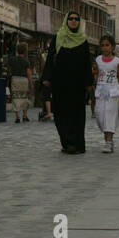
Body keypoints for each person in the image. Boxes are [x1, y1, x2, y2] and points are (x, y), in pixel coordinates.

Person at [42, 11, 92, 154]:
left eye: (77, 19)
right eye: (71, 19)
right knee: (60, 113)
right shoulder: (58, 38)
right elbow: (51, 59)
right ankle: (66, 142)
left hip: (77, 84)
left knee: (77, 115)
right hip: (60, 83)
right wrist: (47, 78)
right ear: (66, 20)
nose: (74, 21)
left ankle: (76, 144)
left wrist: (89, 82)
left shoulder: (83, 40)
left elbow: (87, 63)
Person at [92, 34, 119, 153]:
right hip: (100, 92)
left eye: (107, 45)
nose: (105, 48)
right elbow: (95, 74)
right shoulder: (98, 60)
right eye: (102, 45)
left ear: (112, 47)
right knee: (100, 116)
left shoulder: (118, 62)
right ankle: (107, 139)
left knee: (109, 116)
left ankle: (108, 142)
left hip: (112, 92)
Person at [7, 42, 33, 123]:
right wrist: (31, 84)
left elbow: (9, 71)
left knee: (15, 98)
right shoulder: (26, 61)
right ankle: (24, 116)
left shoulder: (12, 60)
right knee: (24, 98)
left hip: (15, 79)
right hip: (24, 80)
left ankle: (17, 117)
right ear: (25, 51)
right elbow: (29, 73)